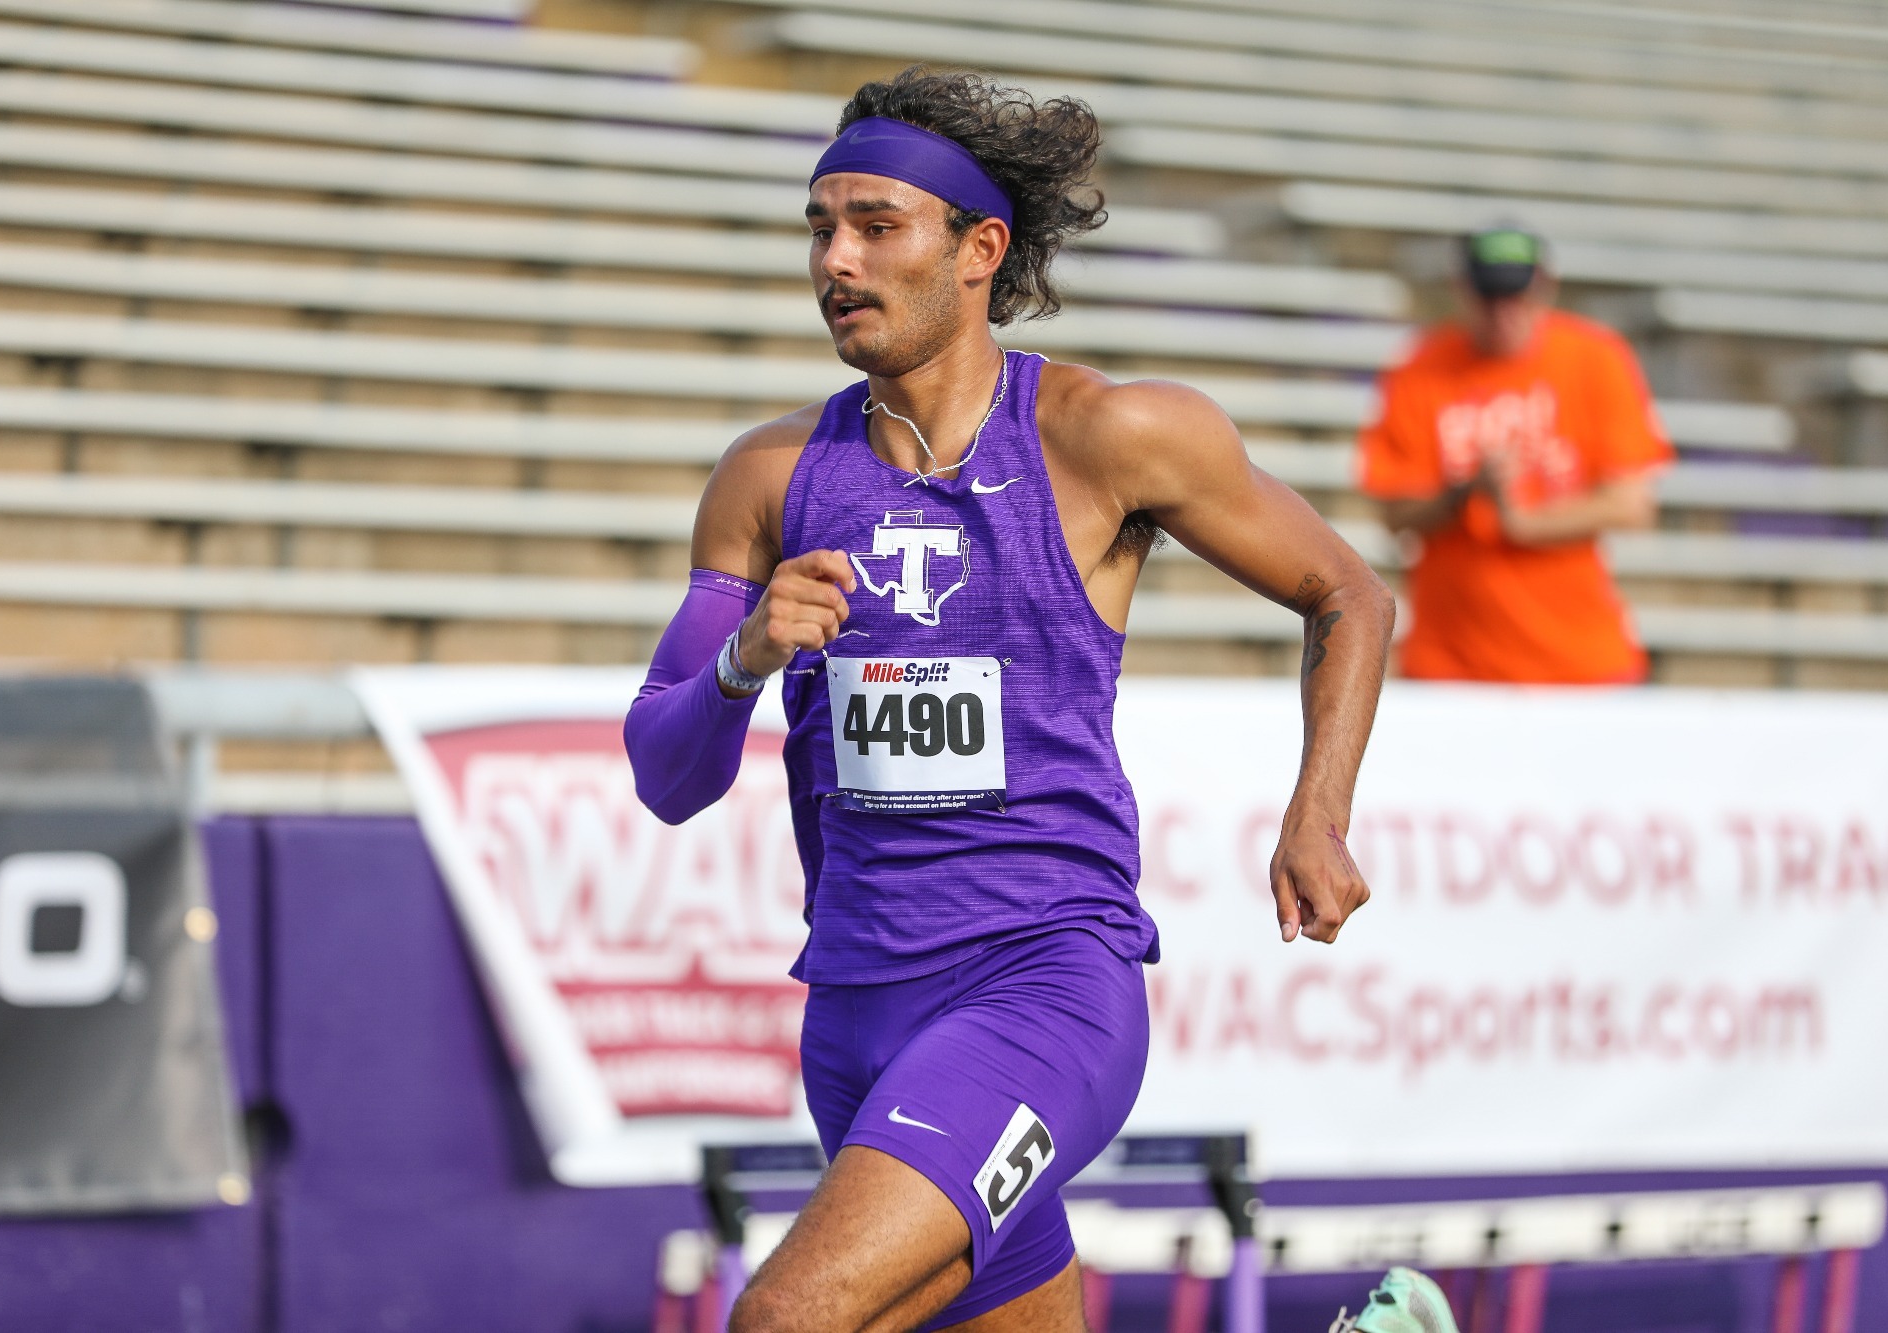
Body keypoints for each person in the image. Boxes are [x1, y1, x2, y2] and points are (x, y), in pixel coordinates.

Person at [624, 67, 1393, 1333]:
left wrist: (1317, 813)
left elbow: (1348, 596)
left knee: (780, 1320)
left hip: (1042, 984)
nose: (835, 259)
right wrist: (742, 660)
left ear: (979, 249)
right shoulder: (766, 476)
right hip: (857, 1014)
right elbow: (666, 775)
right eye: (820, 226)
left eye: (876, 225)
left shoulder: (1110, 434)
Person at [1357, 228, 1674, 684]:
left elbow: (1632, 504)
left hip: (1580, 661)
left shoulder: (1595, 358)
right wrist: (1466, 491)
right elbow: (1393, 510)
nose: (1505, 313)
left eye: (1517, 296)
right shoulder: (1419, 369)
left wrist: (1523, 522)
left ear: (1546, 287)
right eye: (1490, 297)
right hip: (1452, 662)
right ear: (1462, 290)